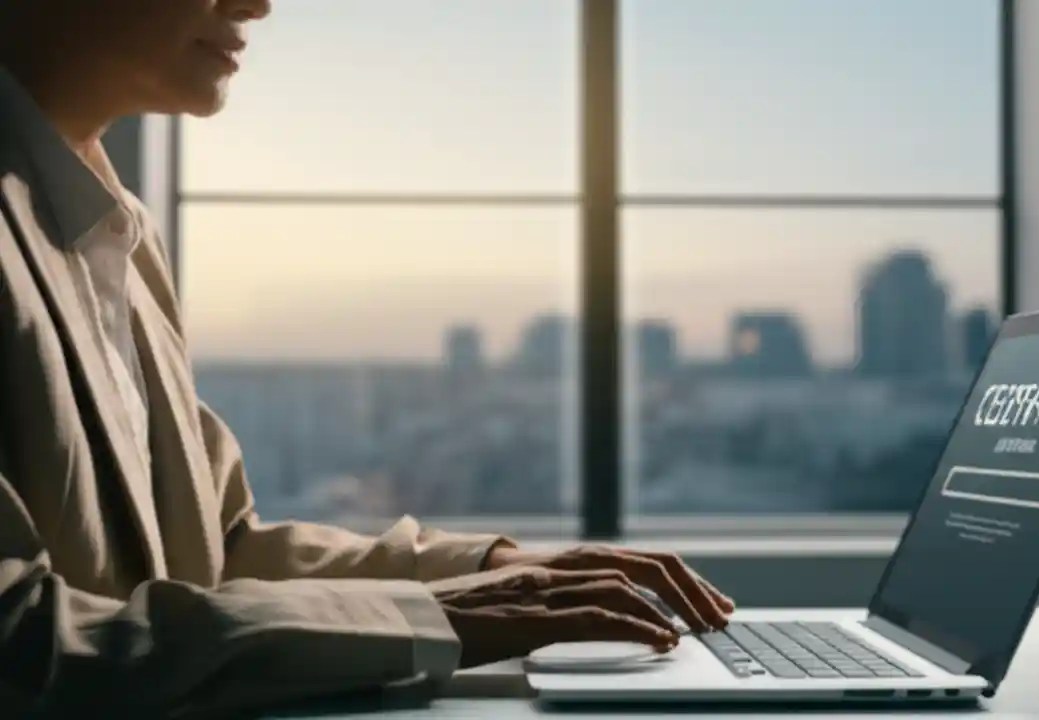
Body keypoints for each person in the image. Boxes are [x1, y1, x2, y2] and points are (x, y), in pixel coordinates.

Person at [0, 0, 733, 715]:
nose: (256, 6)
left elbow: (219, 548)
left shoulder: (121, 232)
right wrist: (435, 620)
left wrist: (491, 571)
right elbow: (20, 639)